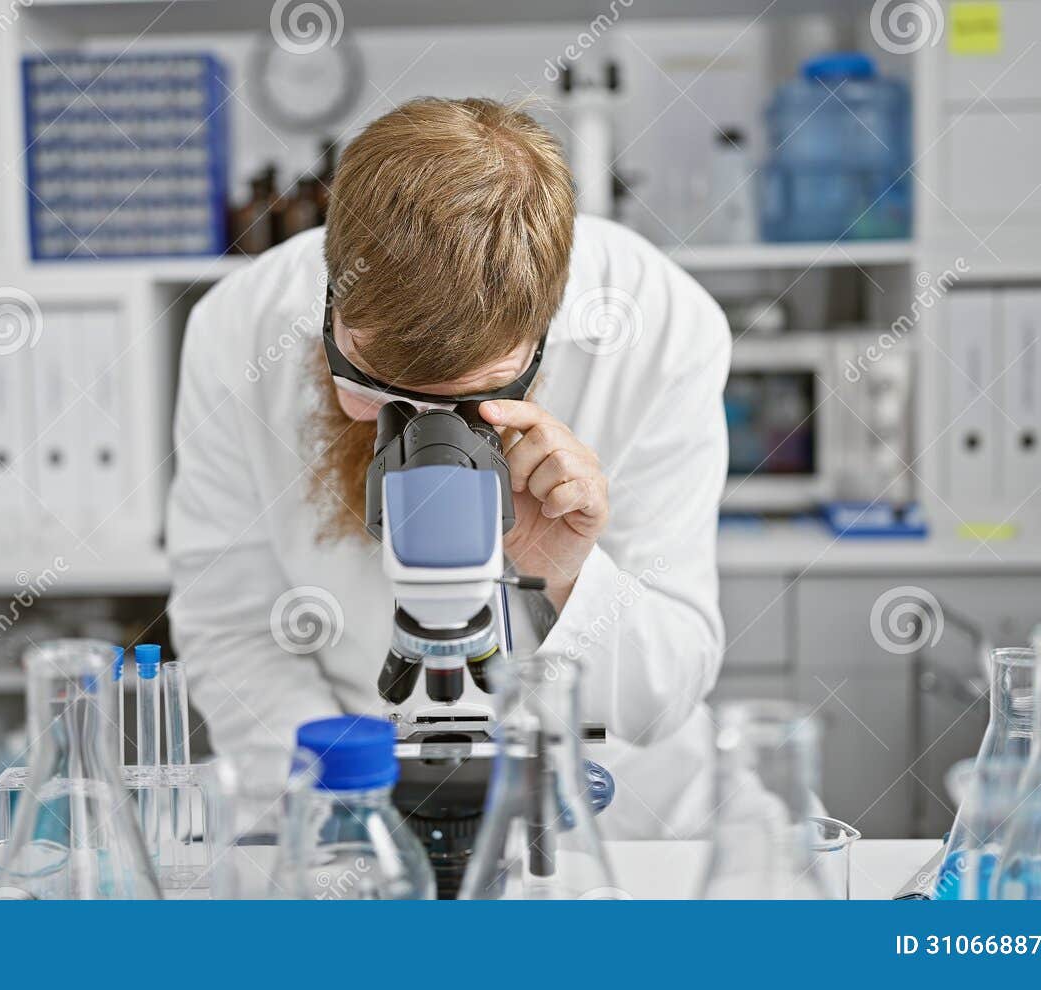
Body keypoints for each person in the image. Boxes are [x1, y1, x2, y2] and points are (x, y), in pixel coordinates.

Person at [167, 97, 731, 837]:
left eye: (473, 399)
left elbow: (664, 693)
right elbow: (233, 629)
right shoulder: (239, 328)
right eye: (376, 387)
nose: (424, 431)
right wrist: (349, 807)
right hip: (347, 772)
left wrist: (569, 575)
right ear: (332, 300)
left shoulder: (661, 325)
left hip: (608, 797)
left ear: (543, 331)